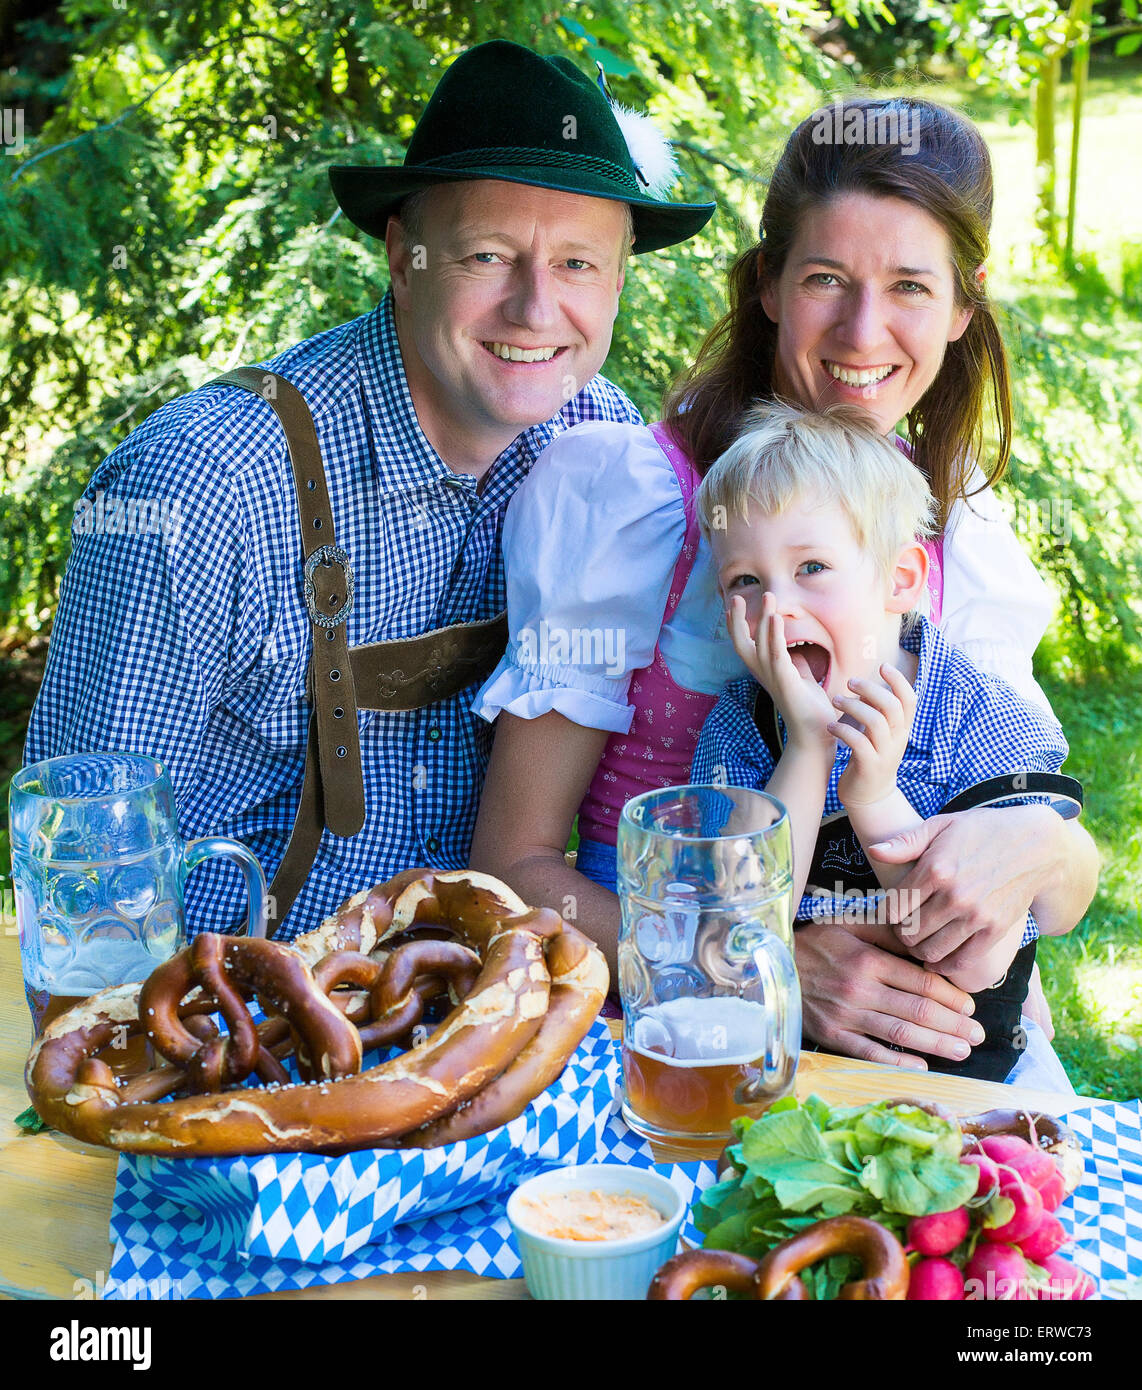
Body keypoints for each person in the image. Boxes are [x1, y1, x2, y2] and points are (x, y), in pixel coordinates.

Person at [22, 40, 714, 942]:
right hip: (230, 1034)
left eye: (579, 264)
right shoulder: (204, 484)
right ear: (403, 255)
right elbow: (80, 868)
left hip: (480, 1025)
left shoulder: (606, 454)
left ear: (621, 276)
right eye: (489, 257)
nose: (537, 310)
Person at [471, 94, 1099, 1075]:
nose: (860, 331)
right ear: (765, 283)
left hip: (926, 1056)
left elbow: (1054, 861)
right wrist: (756, 967)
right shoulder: (632, 502)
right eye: (824, 279)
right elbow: (514, 871)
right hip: (654, 1024)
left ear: (964, 305)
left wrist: (1040, 851)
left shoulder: (952, 532)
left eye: (908, 287)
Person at [689, 401, 1075, 1086]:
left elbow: (976, 957)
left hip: (978, 1070)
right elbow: (735, 932)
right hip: (792, 1060)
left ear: (900, 580)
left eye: (811, 567)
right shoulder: (739, 728)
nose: (776, 607)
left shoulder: (977, 712)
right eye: (745, 581)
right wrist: (806, 748)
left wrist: (872, 796)